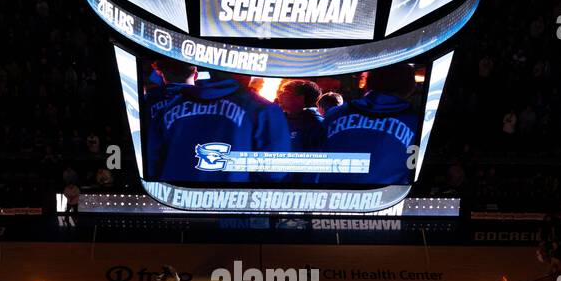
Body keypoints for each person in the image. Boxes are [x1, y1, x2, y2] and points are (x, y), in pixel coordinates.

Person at [145, 66, 290, 183]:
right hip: (234, 208)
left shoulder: (169, 106)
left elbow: (150, 164)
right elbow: (274, 172)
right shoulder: (263, 109)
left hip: (174, 204)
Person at [320, 63, 421, 185]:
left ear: (368, 82)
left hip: (330, 196)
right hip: (387, 199)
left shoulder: (334, 114)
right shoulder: (416, 122)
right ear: (410, 86)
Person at [276, 79, 326, 150]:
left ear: (301, 98)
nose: (280, 95)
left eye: (286, 92)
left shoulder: (316, 124)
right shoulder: (278, 119)